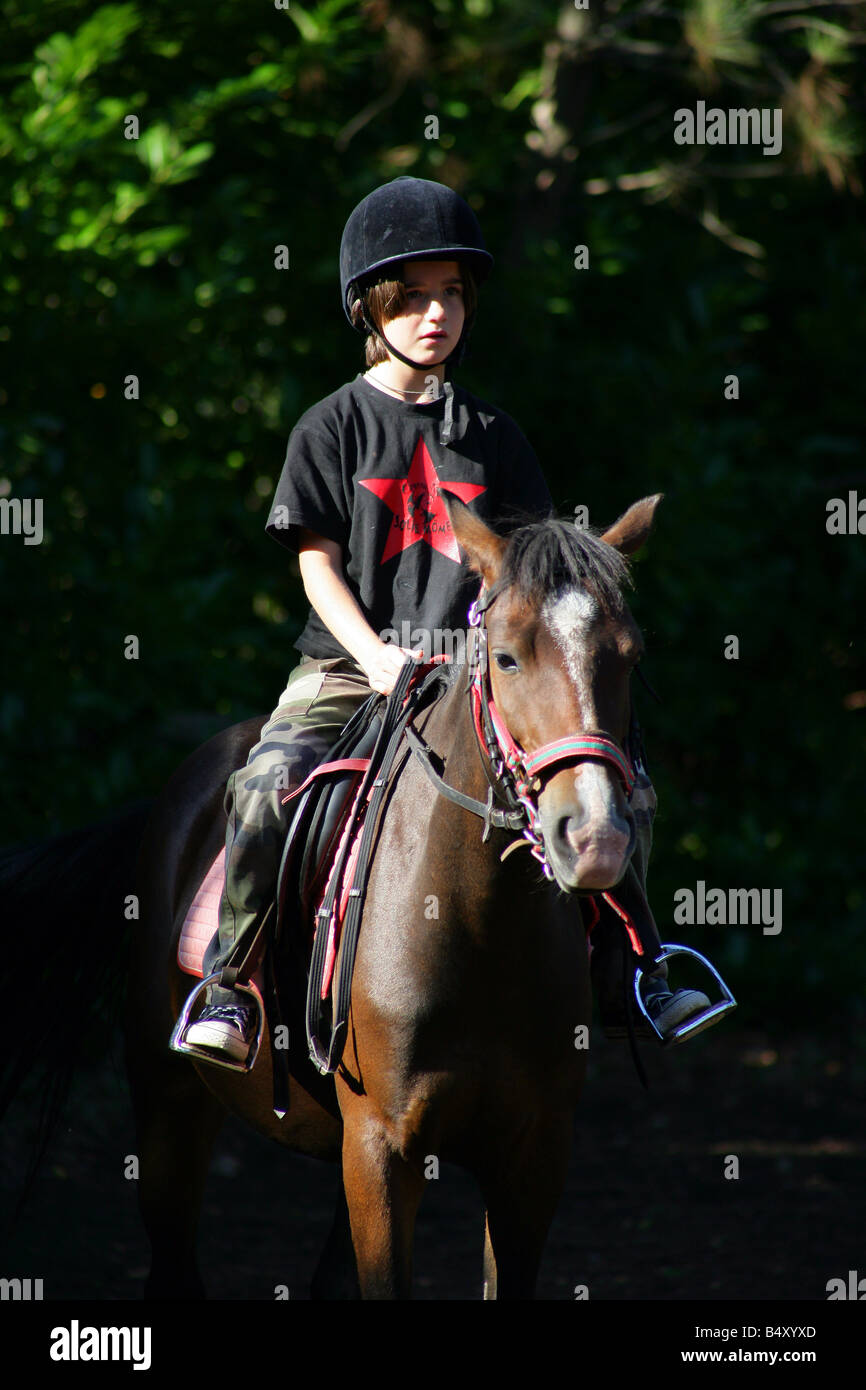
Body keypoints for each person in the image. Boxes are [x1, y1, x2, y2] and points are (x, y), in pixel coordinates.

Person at [180, 176, 727, 1066]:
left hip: (479, 676)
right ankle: (231, 985)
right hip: (349, 670)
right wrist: (377, 656)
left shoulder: (496, 435)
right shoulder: (330, 427)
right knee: (263, 786)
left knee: (618, 787)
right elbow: (316, 564)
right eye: (413, 296)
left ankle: (638, 968)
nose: (435, 314)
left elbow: (538, 579)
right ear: (370, 306)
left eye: (452, 295)